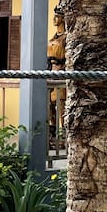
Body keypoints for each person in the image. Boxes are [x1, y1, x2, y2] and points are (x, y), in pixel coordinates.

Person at [47, 9, 66, 149]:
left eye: (57, 16)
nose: (55, 19)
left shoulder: (66, 37)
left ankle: (65, 135)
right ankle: (52, 136)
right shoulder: (53, 38)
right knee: (49, 105)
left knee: (62, 104)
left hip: (62, 72)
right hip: (51, 72)